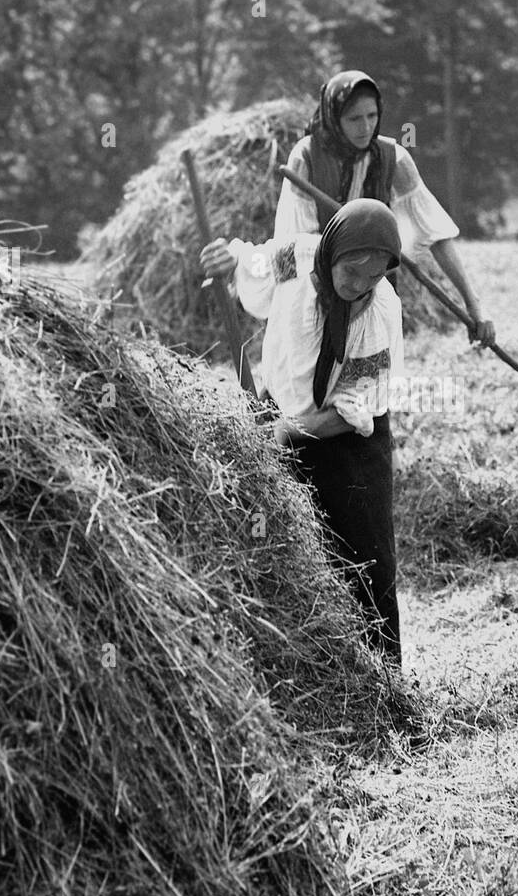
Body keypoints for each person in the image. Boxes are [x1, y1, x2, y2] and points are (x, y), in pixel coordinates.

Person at [199, 200, 405, 667]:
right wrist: (227, 259)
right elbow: (254, 264)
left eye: (373, 276)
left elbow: (357, 407)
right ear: (333, 252)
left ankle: (384, 681)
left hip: (348, 438)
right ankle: (302, 672)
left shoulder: (380, 310)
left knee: (365, 562)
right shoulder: (299, 255)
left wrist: (285, 431)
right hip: (278, 416)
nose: (358, 286)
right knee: (284, 554)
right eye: (352, 271)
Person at [275, 69, 496, 348]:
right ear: (333, 118)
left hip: (374, 291)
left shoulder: (393, 158)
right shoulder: (306, 155)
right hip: (316, 288)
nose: (365, 128)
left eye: (372, 116)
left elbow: (435, 235)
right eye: (354, 119)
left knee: (373, 380)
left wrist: (474, 304)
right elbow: (293, 244)